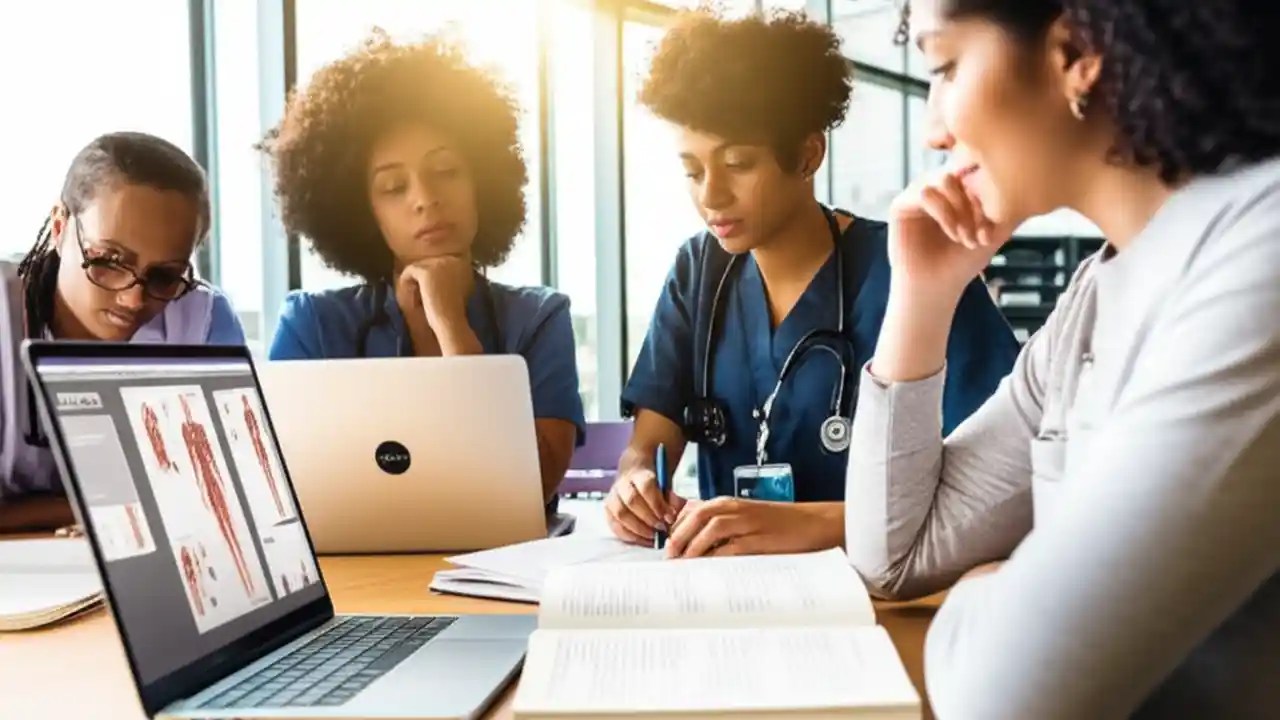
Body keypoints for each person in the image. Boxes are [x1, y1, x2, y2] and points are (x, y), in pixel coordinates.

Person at [842, 0, 1280, 716]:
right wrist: (922, 295)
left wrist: (994, 590)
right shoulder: (1093, 297)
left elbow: (1005, 698)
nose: (933, 131)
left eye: (947, 66)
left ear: (1076, 52)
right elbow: (894, 556)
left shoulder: (1260, 255)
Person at [610, 9, 1019, 557]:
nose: (711, 195)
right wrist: (634, 483)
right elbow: (648, 446)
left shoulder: (915, 270)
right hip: (726, 599)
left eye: (736, 163)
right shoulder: (697, 274)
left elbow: (989, 490)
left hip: (883, 597)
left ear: (807, 155)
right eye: (693, 170)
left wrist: (817, 525)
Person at [260, 31, 585, 504]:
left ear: (483, 181)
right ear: (362, 210)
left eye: (447, 171)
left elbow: (535, 482)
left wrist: (452, 325)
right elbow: (275, 483)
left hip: (505, 566)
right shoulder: (313, 324)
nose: (425, 198)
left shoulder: (538, 318)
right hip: (360, 569)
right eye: (393, 187)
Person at [0, 132, 246, 531]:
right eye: (109, 259)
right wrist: (103, 509)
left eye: (165, 275)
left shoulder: (204, 321)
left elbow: (228, 491)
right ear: (60, 227)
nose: (134, 300)